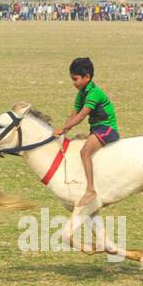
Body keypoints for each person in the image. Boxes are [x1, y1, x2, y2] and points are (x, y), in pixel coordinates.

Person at [54, 57, 119, 210]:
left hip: (107, 128)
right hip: (96, 129)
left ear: (87, 77)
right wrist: (64, 130)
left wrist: (63, 130)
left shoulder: (94, 93)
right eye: (72, 79)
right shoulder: (82, 93)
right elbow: (74, 113)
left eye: (75, 79)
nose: (73, 83)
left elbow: (82, 115)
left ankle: (90, 190)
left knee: (85, 152)